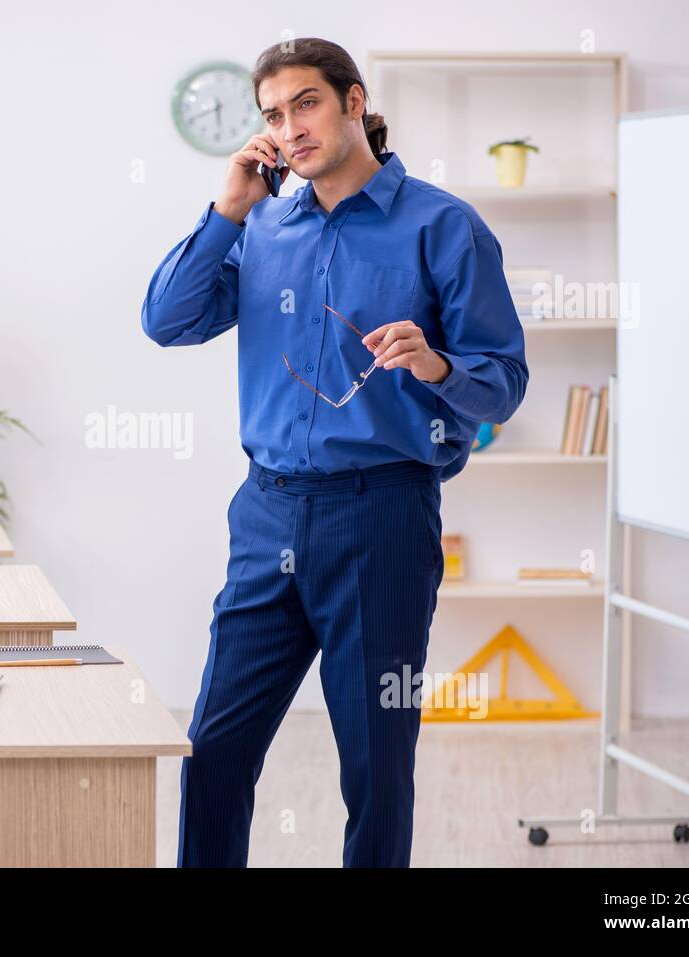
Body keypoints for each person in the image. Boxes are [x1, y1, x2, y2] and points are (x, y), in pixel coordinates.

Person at [140, 37, 529, 867]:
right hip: (267, 514)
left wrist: (435, 363)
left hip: (382, 518)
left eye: (306, 103)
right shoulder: (261, 226)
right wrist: (228, 210)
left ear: (355, 103)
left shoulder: (443, 225)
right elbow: (167, 320)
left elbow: (503, 382)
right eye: (273, 114)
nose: (290, 127)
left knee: (375, 769)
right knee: (211, 751)